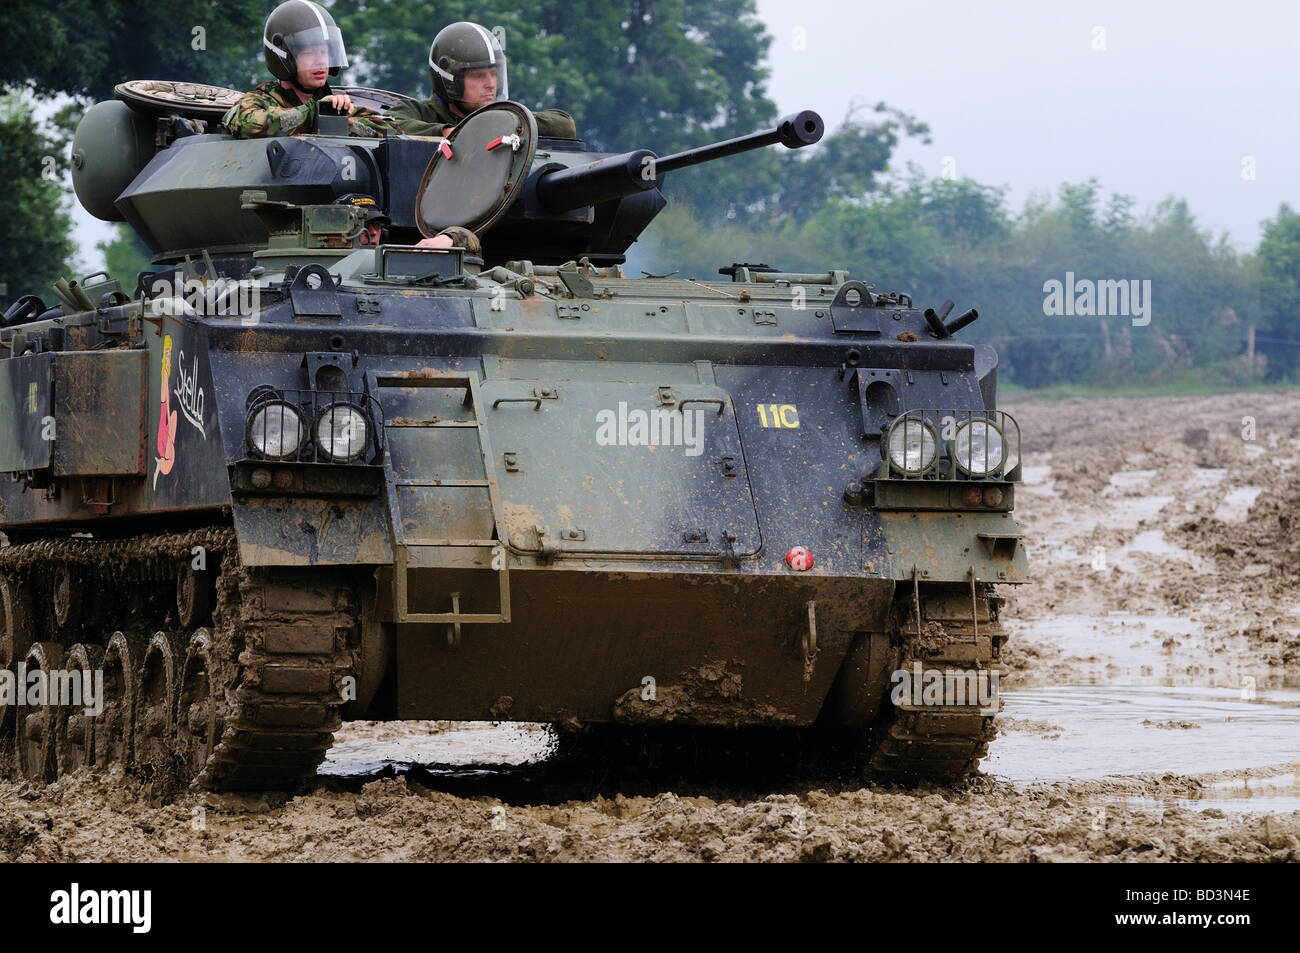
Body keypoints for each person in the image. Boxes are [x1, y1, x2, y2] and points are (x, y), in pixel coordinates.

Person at [224, 0, 401, 139]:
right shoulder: (259, 101)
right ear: (284, 58)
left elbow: (392, 131)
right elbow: (248, 125)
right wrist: (315, 112)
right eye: (309, 53)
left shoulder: (337, 105)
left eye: (324, 52)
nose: (320, 61)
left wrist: (342, 122)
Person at [387, 21, 577, 139]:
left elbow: (564, 125)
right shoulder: (419, 112)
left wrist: (502, 125)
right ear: (450, 82)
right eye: (478, 75)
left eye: (494, 74)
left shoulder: (503, 116)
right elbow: (386, 124)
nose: (491, 84)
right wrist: (447, 132)